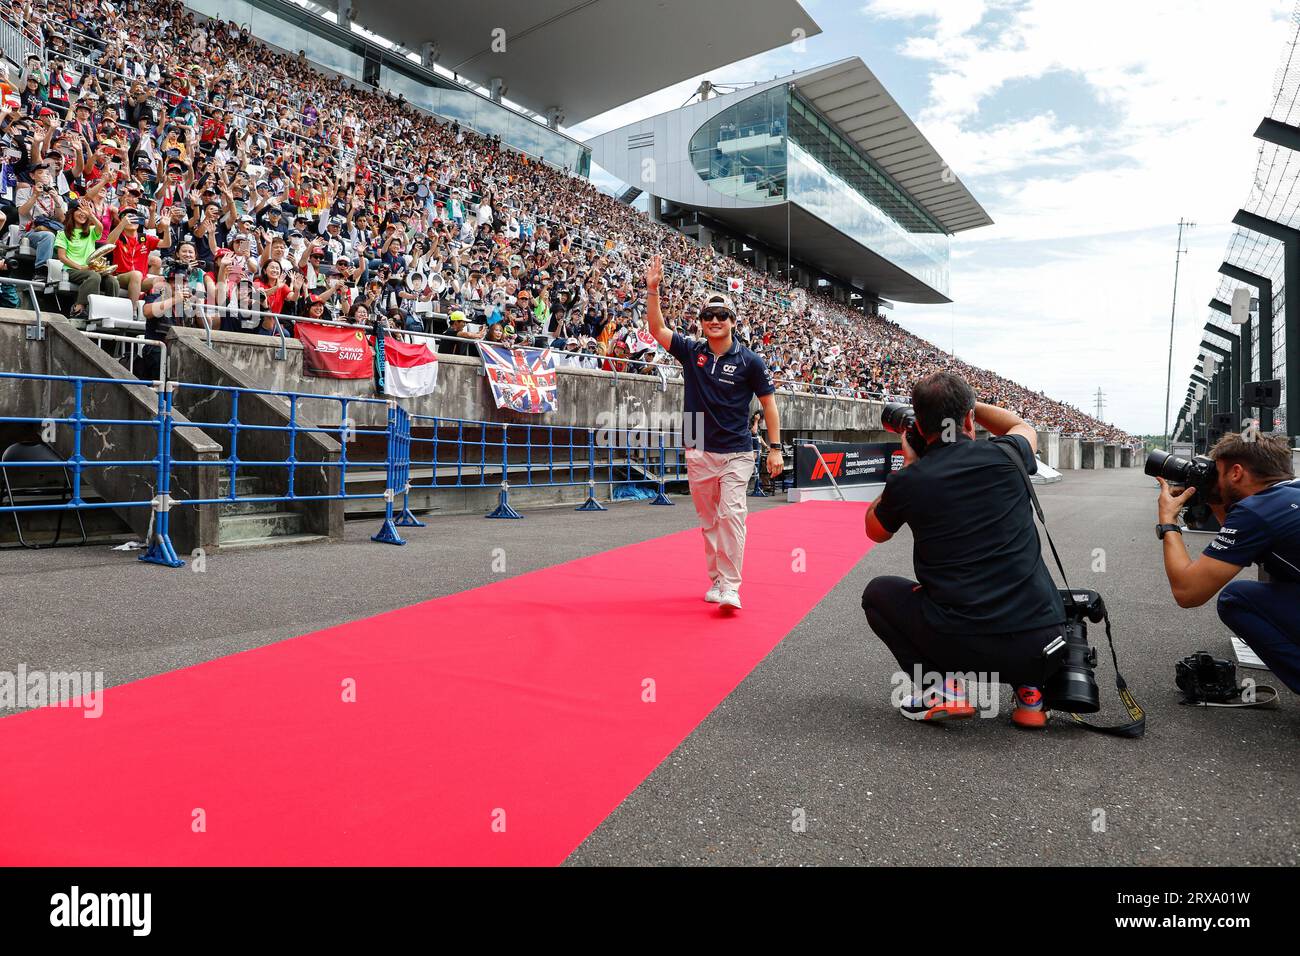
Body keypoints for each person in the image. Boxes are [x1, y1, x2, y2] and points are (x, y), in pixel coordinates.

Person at [861, 371, 1067, 728]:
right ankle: (1031, 695)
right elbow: (1022, 425)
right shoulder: (1008, 455)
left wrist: (910, 466)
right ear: (970, 418)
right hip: (1041, 646)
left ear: (919, 426)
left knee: (877, 592)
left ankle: (941, 688)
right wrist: (969, 405)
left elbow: (874, 530)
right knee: (1023, 588)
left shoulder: (912, 481)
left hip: (961, 646)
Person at [643, 253, 782, 611]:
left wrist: (777, 448)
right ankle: (717, 580)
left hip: (737, 451)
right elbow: (657, 330)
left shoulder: (751, 361)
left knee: (732, 515)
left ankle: (731, 586)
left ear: (733, 321)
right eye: (708, 316)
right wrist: (653, 291)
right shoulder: (691, 352)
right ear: (701, 322)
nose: (715, 321)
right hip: (697, 446)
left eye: (722, 316)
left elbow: (768, 405)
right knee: (708, 522)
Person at [1157, 432, 1300, 692]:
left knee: (1235, 598)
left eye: (1217, 472)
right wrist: (1213, 494)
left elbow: (1188, 592)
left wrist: (1168, 521)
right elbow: (1237, 539)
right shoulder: (1285, 497)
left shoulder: (1257, 512)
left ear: (1236, 473)